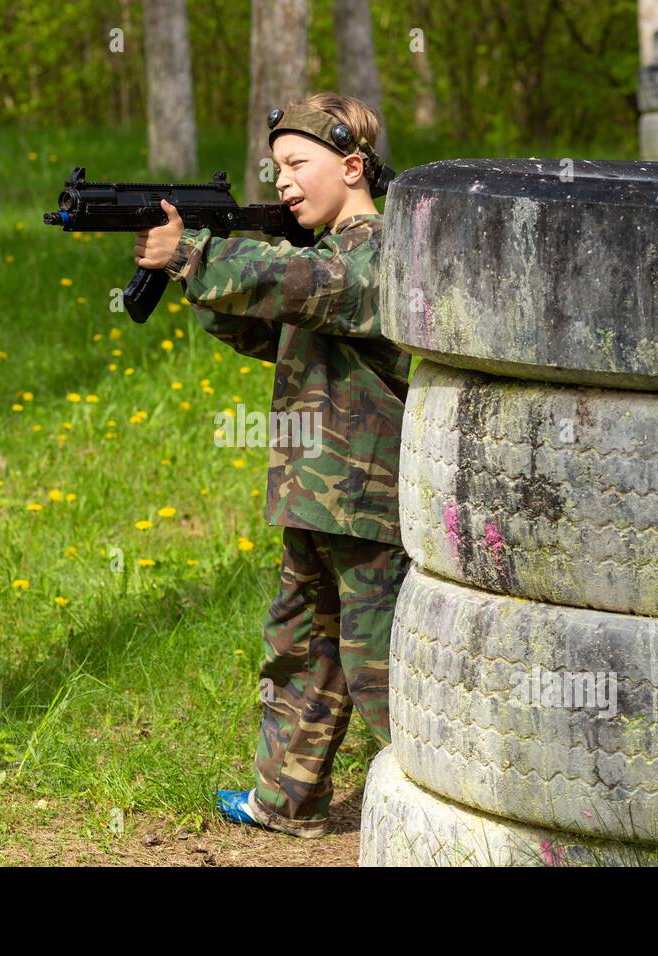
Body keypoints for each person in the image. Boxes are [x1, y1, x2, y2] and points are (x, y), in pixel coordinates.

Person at [134, 92, 409, 839]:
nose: (283, 181)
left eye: (298, 164)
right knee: (300, 651)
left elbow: (315, 290)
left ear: (352, 166)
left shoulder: (378, 251)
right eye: (276, 167)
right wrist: (207, 287)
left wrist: (197, 255)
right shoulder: (320, 257)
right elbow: (276, 333)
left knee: (378, 663)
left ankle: (446, 806)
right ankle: (286, 802)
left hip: (367, 498)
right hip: (313, 494)